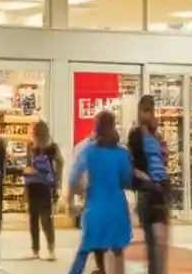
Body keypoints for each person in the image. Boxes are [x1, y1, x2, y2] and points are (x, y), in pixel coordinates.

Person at [68, 110, 134, 274]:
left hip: (95, 208)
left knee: (84, 251)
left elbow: (74, 178)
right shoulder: (122, 153)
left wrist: (73, 199)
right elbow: (127, 180)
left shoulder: (88, 151)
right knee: (117, 252)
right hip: (116, 209)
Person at [128, 95, 171, 274]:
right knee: (160, 242)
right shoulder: (157, 135)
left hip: (148, 188)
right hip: (162, 187)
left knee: (151, 240)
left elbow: (131, 163)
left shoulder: (136, 134)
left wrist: (141, 177)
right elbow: (164, 161)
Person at [23, 120, 62, 261]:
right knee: (46, 218)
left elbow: (28, 165)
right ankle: (50, 249)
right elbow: (60, 162)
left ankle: (36, 250)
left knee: (35, 218)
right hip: (45, 186)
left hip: (34, 185)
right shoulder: (51, 147)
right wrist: (56, 179)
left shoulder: (33, 147)